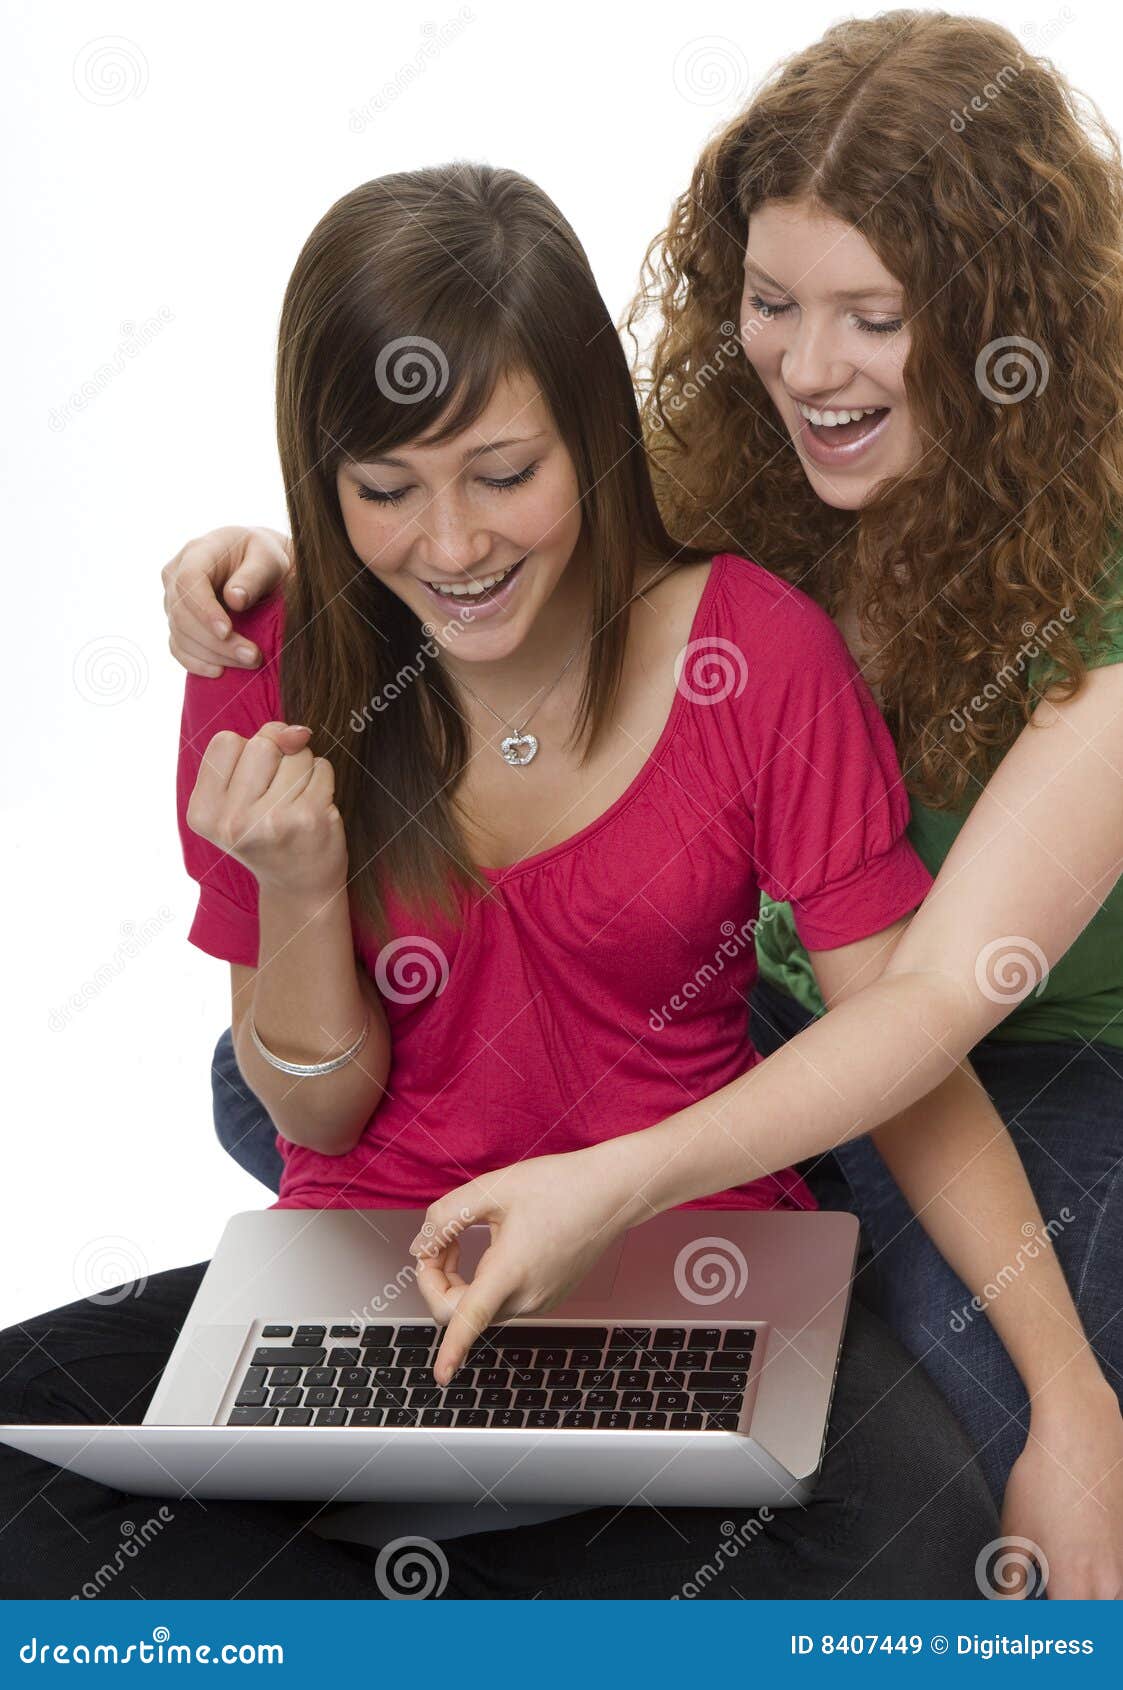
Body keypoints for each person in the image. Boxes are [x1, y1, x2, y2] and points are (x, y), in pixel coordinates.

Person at [141, 158, 1123, 1596]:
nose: (454, 541)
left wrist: (1071, 1396)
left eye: (506, 475)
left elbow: (910, 1024)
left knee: (940, 1505)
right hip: (417, 1237)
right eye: (386, 489)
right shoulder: (270, 649)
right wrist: (296, 883)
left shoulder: (773, 648)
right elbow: (313, 1107)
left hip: (852, 1145)